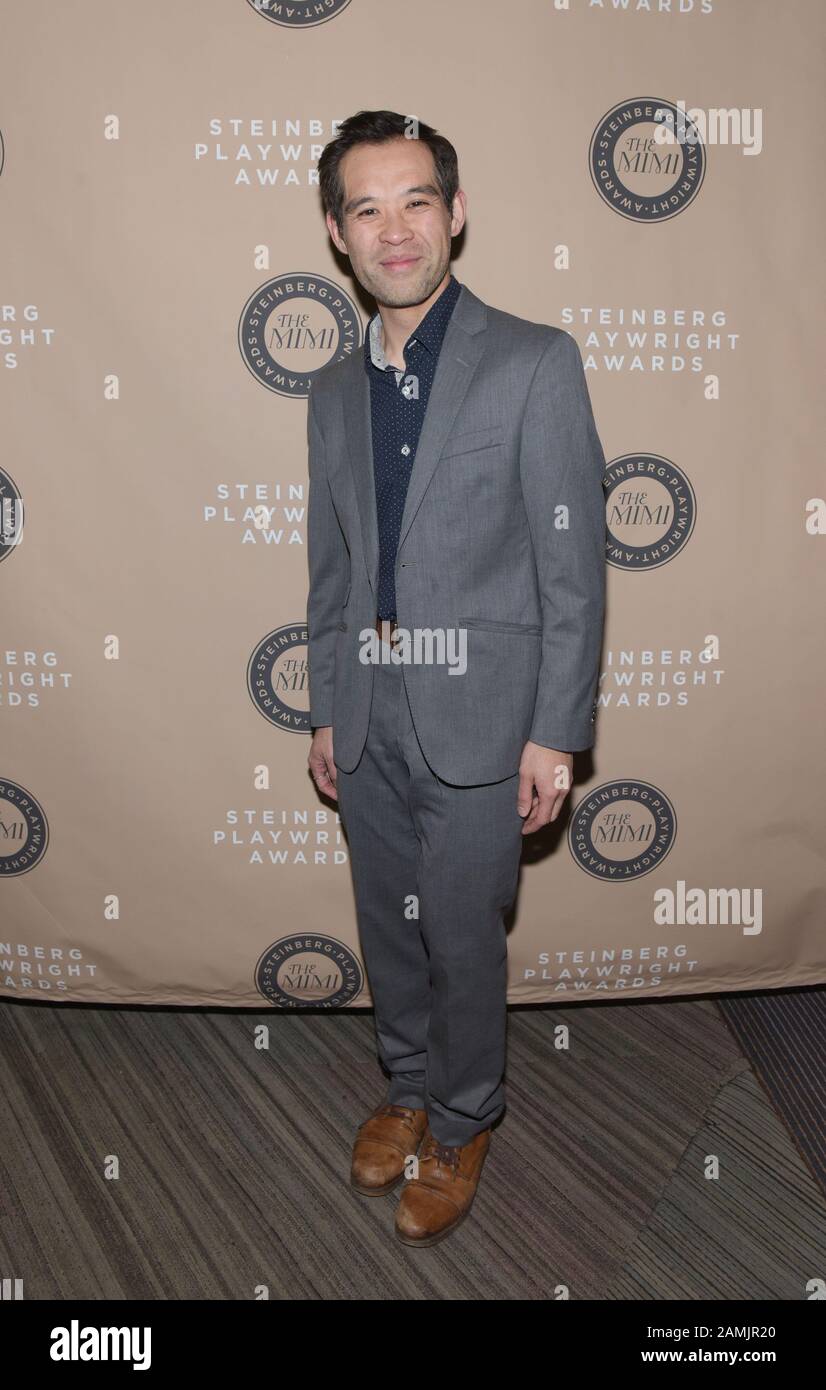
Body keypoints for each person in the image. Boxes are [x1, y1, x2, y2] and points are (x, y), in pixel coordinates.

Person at [306, 110, 606, 1247]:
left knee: (464, 939)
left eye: (417, 200)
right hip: (372, 710)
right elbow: (332, 565)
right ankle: (410, 1084)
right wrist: (332, 705)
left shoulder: (534, 360)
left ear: (456, 213)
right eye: (368, 208)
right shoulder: (333, 392)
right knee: (390, 924)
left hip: (487, 720)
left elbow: (572, 562)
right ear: (337, 233)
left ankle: (468, 1114)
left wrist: (555, 731)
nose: (396, 230)